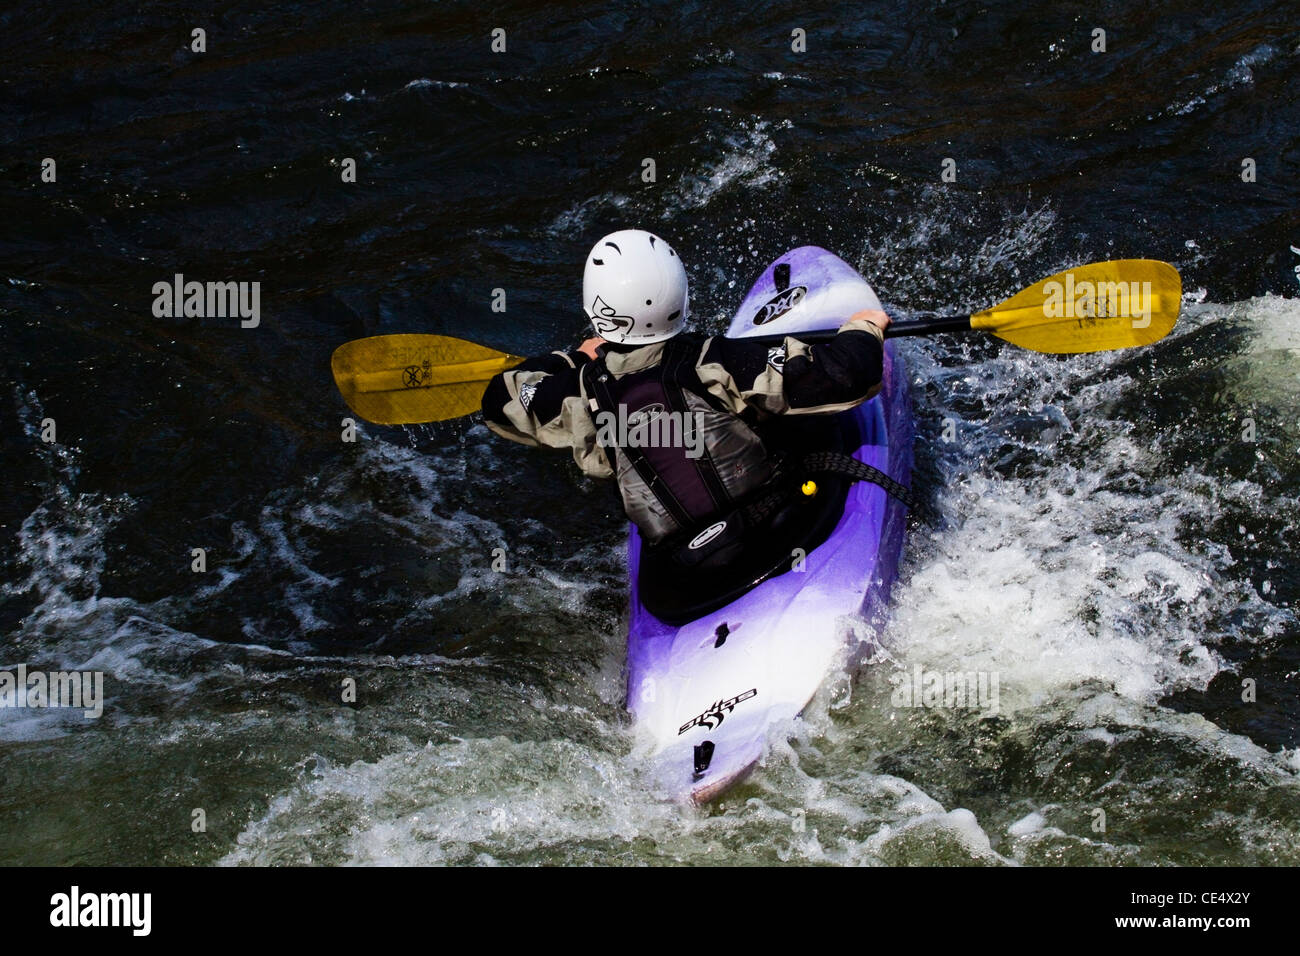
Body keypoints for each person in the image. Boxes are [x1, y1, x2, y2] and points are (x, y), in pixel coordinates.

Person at [480, 228, 891, 556]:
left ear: (597, 311)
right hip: (774, 519)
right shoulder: (719, 360)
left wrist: (572, 359)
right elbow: (848, 374)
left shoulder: (581, 393)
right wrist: (864, 328)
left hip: (685, 557)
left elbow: (499, 401)